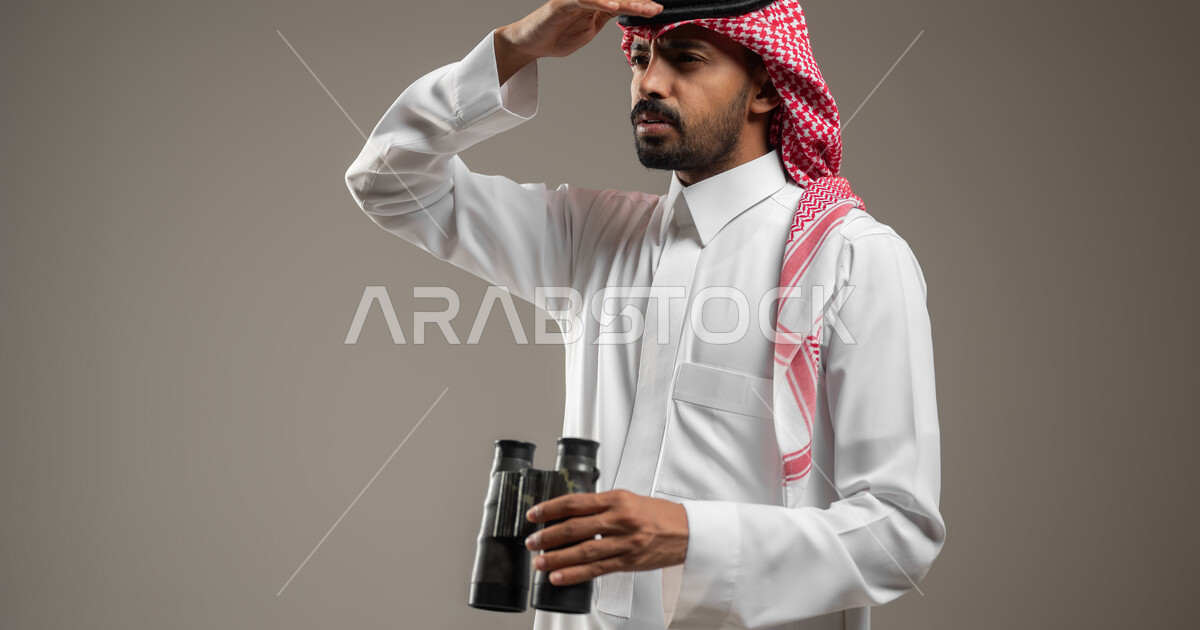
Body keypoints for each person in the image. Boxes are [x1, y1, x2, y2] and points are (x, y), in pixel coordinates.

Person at [343, 0, 946, 628]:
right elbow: (387, 179)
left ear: (766, 87)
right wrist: (513, 47)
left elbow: (898, 535)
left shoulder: (853, 260)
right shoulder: (592, 236)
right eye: (639, 57)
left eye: (686, 59)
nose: (649, 82)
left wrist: (691, 537)